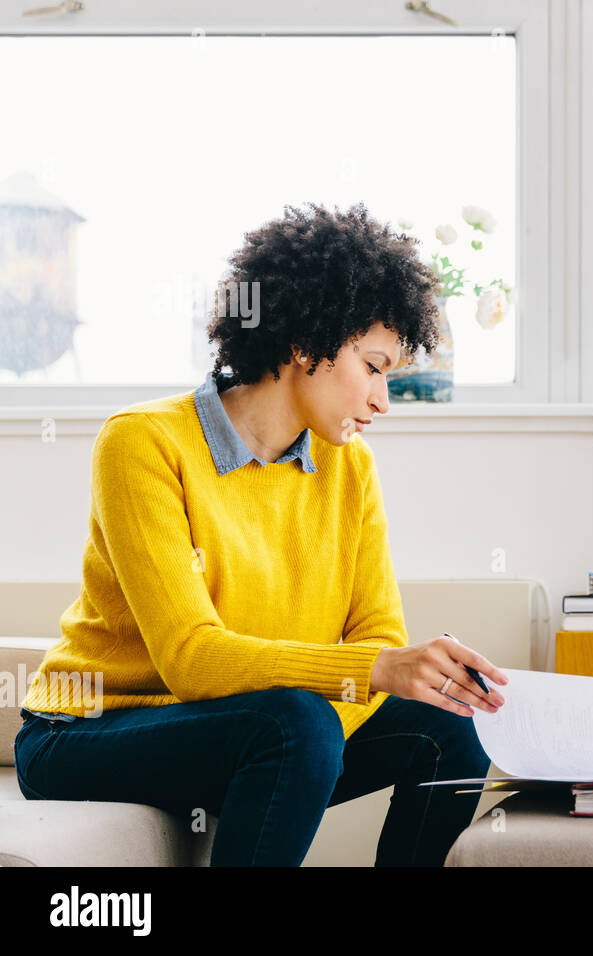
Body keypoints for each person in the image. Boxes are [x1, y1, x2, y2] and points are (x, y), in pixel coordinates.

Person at [13, 202, 507, 867]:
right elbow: (191, 658)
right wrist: (362, 683)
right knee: (293, 723)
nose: (383, 400)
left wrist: (396, 678)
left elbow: (378, 640)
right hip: (87, 731)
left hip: (245, 728)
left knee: (446, 721)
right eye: (374, 366)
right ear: (308, 343)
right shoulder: (143, 442)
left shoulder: (346, 465)